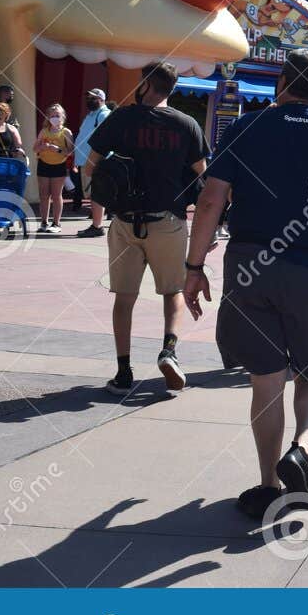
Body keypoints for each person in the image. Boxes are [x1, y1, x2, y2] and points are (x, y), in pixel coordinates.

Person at [184, 49, 308, 520]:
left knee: (265, 380)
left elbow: (211, 201)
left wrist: (193, 267)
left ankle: (268, 484)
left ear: (283, 82)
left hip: (250, 263)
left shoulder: (246, 128)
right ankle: (303, 448)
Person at [84, 63, 209, 396]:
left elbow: (90, 164)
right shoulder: (187, 125)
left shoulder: (122, 118)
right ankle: (169, 350)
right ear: (172, 87)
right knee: (173, 292)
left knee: (124, 299)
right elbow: (203, 175)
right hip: (168, 221)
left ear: (145, 85)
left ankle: (123, 371)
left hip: (126, 221)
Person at [73, 88, 111, 236]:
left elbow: (105, 139)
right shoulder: (90, 116)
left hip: (95, 161)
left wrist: (95, 160)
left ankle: (97, 226)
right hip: (85, 160)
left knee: (96, 193)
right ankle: (97, 224)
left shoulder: (104, 115)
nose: (89, 100)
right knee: (91, 194)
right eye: (88, 97)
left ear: (101, 99)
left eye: (93, 98)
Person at [33, 103, 74, 232]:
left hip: (59, 166)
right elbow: (35, 149)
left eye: (57, 115)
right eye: (52, 115)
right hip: (43, 164)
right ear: (48, 117)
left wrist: (58, 150)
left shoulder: (66, 132)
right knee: (44, 195)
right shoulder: (44, 131)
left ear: (62, 117)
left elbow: (71, 151)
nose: (55, 117)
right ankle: (44, 222)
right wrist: (42, 147)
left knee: (57, 195)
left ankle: (56, 223)